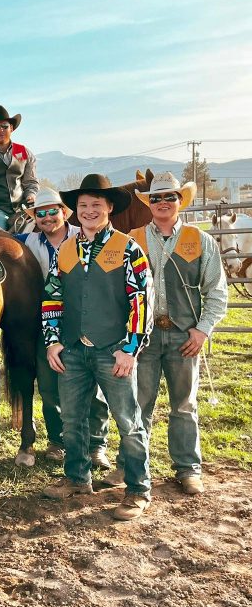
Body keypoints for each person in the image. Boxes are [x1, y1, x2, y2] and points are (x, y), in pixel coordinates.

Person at [41, 174, 154, 521]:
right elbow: (52, 297)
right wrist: (53, 341)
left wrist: (129, 348)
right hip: (73, 350)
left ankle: (138, 488)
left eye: (95, 205)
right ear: (75, 211)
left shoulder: (128, 248)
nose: (88, 211)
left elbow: (142, 301)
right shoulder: (66, 249)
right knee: (72, 419)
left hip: (112, 350)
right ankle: (77, 478)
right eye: (83, 205)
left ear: (108, 209)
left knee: (128, 420)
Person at [123, 172, 227, 495]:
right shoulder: (133, 238)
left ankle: (188, 468)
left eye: (169, 197)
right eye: (156, 198)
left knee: (184, 404)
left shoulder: (201, 240)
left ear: (180, 201)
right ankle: (134, 468)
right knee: (140, 403)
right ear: (149, 204)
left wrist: (202, 331)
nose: (162, 203)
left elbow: (217, 292)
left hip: (185, 336)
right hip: (145, 338)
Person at [17, 188, 110, 467]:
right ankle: (58, 440)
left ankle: (96, 444)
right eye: (40, 213)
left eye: (52, 211)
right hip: (45, 324)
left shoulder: (83, 237)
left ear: (64, 212)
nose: (46, 218)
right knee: (48, 386)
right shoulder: (27, 242)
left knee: (93, 387)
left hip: (83, 321)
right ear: (34, 218)